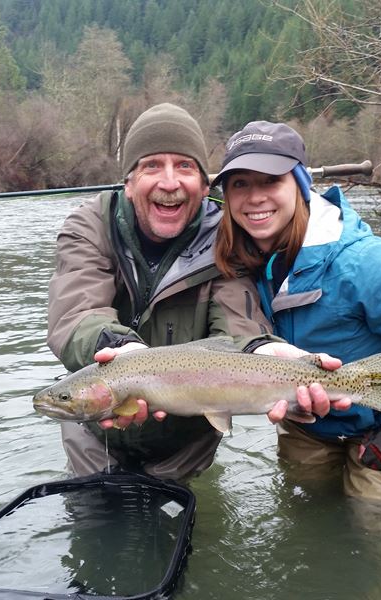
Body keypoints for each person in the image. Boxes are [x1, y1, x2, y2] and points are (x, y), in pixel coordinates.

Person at [46, 104, 346, 481]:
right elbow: (75, 311)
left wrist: (261, 350)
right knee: (93, 524)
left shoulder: (227, 236)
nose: (169, 182)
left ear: (205, 186)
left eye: (185, 167)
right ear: (128, 182)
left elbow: (239, 320)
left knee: (171, 525)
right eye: (152, 165)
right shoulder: (88, 227)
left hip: (188, 438)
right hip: (95, 432)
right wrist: (122, 353)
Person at [213, 120, 381, 500]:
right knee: (305, 512)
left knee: (374, 530)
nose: (254, 197)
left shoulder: (365, 264)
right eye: (240, 184)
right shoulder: (239, 258)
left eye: (270, 181)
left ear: (299, 185)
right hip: (311, 422)